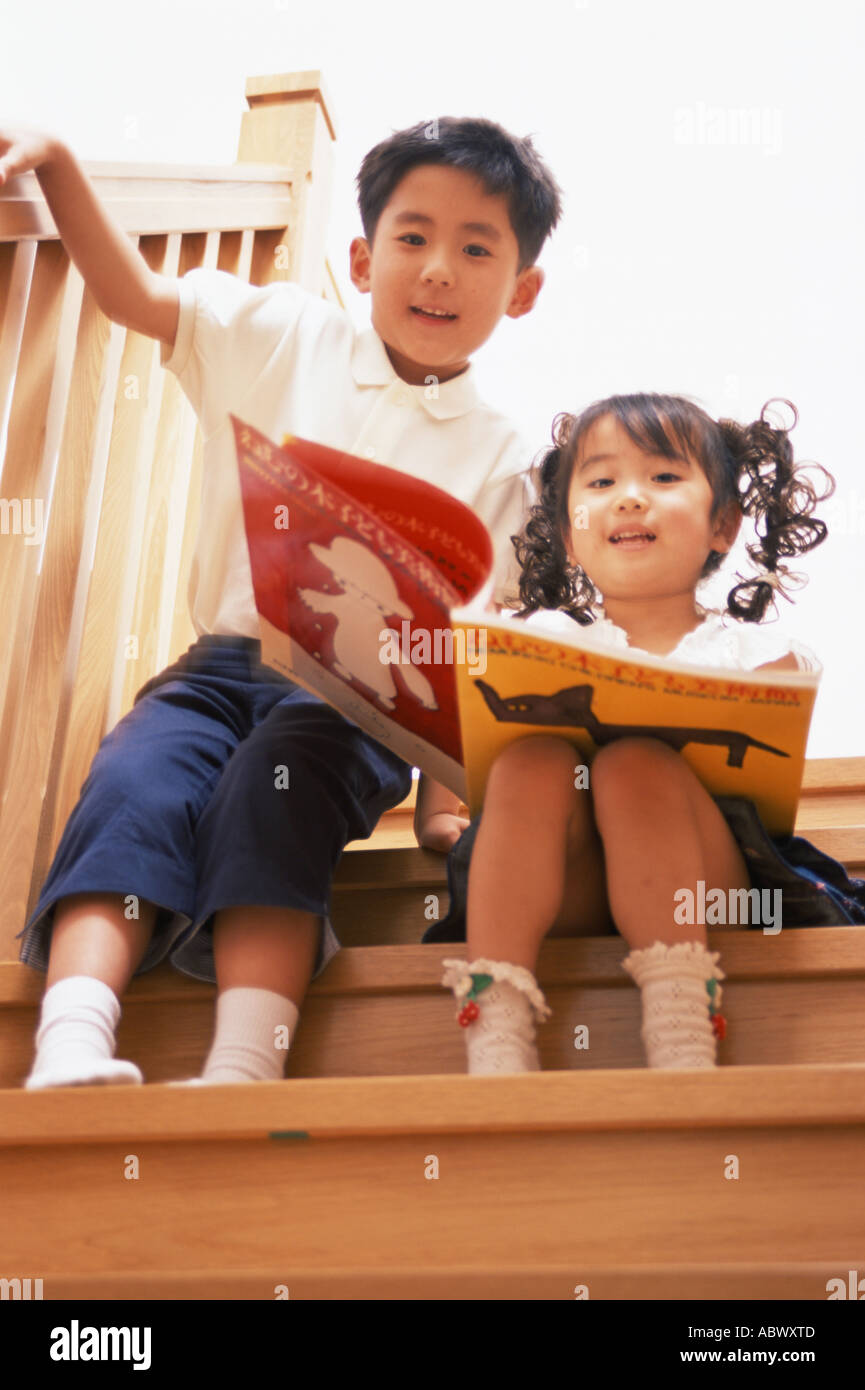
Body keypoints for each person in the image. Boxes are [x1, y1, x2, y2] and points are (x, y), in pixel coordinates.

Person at [0, 115, 562, 1088]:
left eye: (477, 250)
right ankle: (71, 1042)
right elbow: (134, 296)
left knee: (276, 786)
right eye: (413, 236)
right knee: (134, 784)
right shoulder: (285, 335)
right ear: (363, 258)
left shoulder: (510, 465)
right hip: (220, 667)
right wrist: (57, 164)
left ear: (521, 290)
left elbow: (466, 656)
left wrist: (446, 807)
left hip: (359, 706)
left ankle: (242, 1065)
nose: (438, 269)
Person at [420, 392, 865, 1072]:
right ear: (569, 533)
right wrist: (437, 811)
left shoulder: (755, 655)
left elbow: (766, 784)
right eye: (600, 482)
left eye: (662, 476)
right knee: (533, 759)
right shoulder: (540, 637)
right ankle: (497, 1032)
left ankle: (682, 1026)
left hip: (703, 885)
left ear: (722, 525)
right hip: (565, 882)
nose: (629, 498)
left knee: (634, 762)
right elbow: (468, 733)